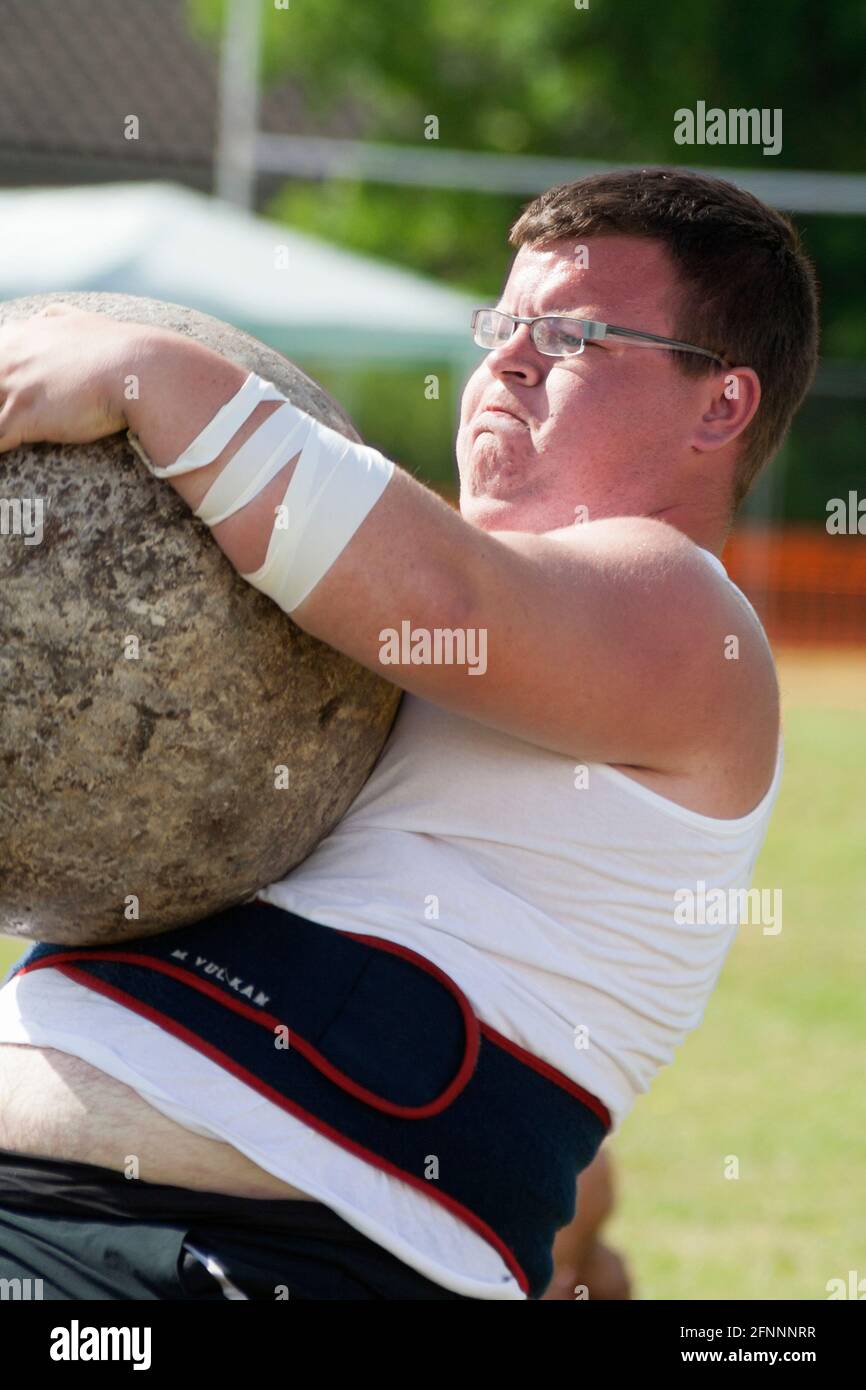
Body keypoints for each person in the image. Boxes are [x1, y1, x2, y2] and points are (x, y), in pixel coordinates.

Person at [0, 167, 818, 1300]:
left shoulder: (690, 617)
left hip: (248, 1259)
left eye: (571, 335)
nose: (509, 359)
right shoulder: (364, 605)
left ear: (720, 404)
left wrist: (150, 373)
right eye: (501, 323)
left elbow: (448, 606)